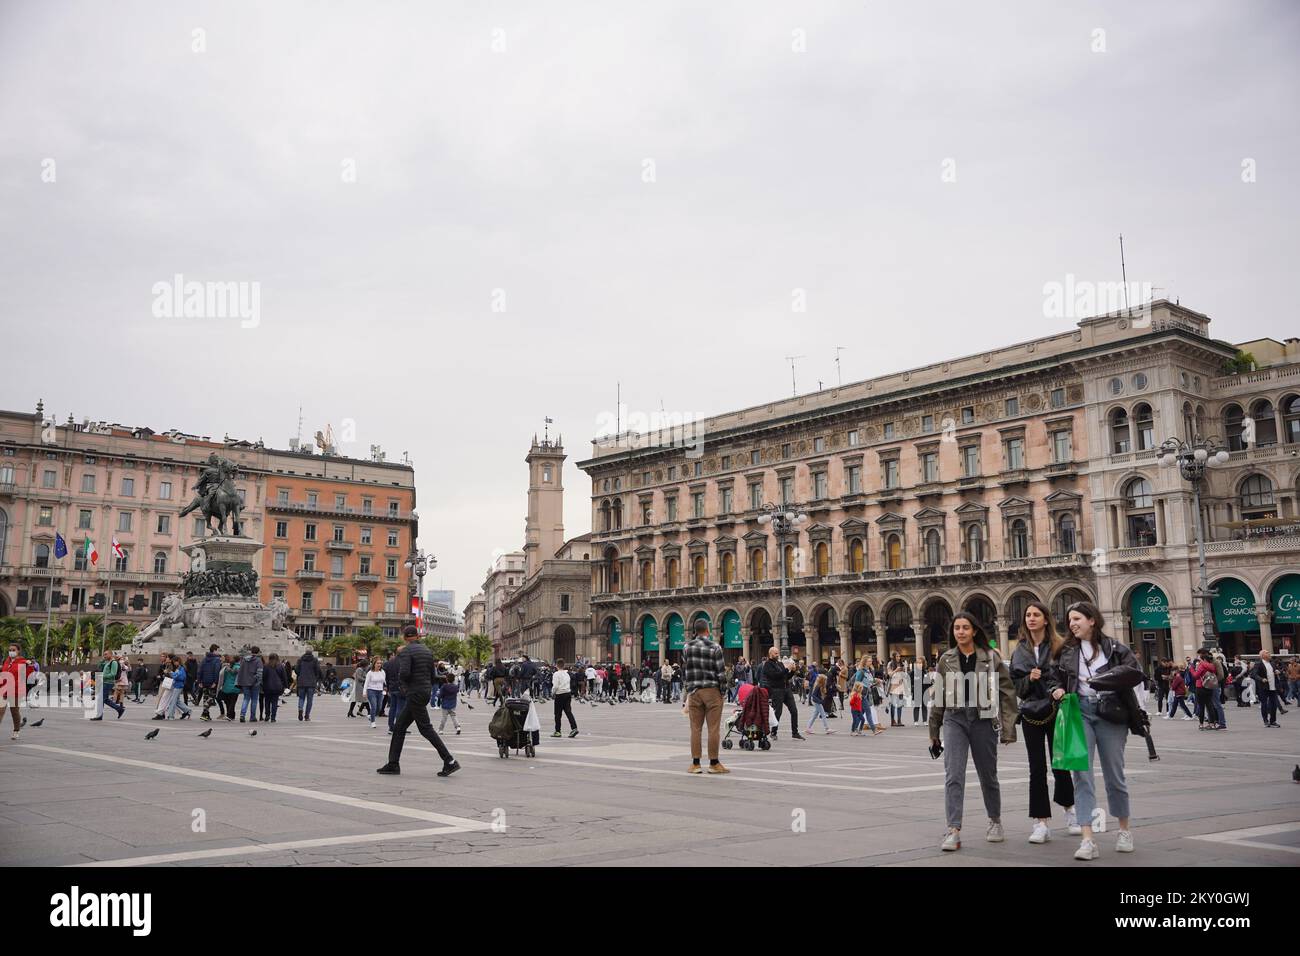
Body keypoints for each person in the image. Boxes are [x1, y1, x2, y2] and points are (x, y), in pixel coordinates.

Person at [1051, 601, 1140, 861]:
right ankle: (1087, 838)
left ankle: (1124, 830)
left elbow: (1134, 671)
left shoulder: (1114, 648)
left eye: (1077, 618)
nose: (1072, 624)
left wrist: (1103, 678)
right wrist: (1055, 690)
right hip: (1080, 713)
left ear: (1092, 620)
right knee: (1082, 775)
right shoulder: (1066, 651)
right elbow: (1054, 678)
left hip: (1112, 713)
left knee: (1115, 774)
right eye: (1069, 620)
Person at [928, 611, 1017, 852]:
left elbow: (1007, 692)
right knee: (953, 775)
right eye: (957, 628)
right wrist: (933, 730)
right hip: (954, 718)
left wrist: (1008, 728)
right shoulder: (946, 659)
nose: (960, 632)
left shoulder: (990, 657)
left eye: (965, 627)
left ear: (974, 631)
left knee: (988, 775)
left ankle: (995, 821)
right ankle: (953, 830)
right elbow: (938, 695)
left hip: (983, 719)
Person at [1010, 601, 1076, 844]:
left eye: (1036, 614)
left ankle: (1069, 810)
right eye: (1027, 615)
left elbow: (1069, 675)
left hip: (1056, 710)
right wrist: (1029, 678)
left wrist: (1057, 688)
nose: (1031, 618)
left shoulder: (1059, 646)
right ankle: (1040, 822)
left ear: (1046, 619)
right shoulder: (1020, 650)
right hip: (1030, 714)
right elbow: (1015, 685)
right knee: (1036, 768)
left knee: (1061, 762)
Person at [376, 626, 459, 778]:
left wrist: (405, 688)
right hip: (424, 692)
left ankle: (450, 761)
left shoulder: (406, 651)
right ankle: (393, 763)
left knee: (425, 729)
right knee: (399, 727)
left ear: (405, 637)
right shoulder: (427, 651)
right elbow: (432, 675)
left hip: (414, 693)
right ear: (417, 636)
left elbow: (405, 673)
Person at [682, 618, 728, 774]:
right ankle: (714, 763)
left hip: (694, 692)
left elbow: (686, 669)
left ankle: (695, 764)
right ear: (707, 630)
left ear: (695, 631)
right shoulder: (715, 647)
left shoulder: (686, 647)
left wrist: (688, 690)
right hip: (711, 691)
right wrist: (723, 692)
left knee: (695, 729)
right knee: (713, 729)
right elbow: (721, 673)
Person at [760, 646, 805, 740]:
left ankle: (795, 732)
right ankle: (773, 732)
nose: (777, 655)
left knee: (794, 711)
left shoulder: (780, 664)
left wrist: (792, 671)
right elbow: (775, 676)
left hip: (787, 689)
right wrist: (787, 669)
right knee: (778, 712)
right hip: (777, 690)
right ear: (770, 654)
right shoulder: (767, 665)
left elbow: (785, 677)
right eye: (775, 653)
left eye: (778, 653)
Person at [1, 643, 31, 740]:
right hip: (4, 690)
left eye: (13, 650)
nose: (11, 652)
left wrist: (29, 665)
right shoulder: (6, 661)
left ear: (18, 651)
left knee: (14, 712)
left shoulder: (23, 662)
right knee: (0, 711)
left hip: (15, 691)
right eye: (10, 650)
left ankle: (16, 730)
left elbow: (25, 677)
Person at [1191, 648, 1223, 731]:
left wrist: (1191, 669)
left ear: (1203, 658)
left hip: (1200, 687)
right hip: (1209, 687)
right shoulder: (1211, 665)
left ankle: (1201, 724)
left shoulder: (1201, 665)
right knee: (1210, 705)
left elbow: (1196, 676)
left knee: (1201, 706)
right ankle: (1212, 724)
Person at [89, 650, 125, 721]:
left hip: (108, 683)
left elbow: (113, 674)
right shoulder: (107, 662)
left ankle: (99, 716)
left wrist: (102, 676)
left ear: (111, 654)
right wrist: (102, 660)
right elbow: (99, 666)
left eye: (106, 654)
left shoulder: (113, 662)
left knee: (101, 699)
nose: (104, 656)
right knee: (104, 699)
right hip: (104, 682)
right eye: (104, 654)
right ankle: (119, 709)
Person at [1251, 650, 1282, 728]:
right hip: (1263, 687)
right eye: (1268, 653)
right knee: (1264, 704)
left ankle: (1273, 721)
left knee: (1274, 704)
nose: (1270, 654)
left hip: (1273, 687)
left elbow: (1275, 671)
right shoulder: (1259, 664)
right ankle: (1265, 720)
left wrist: (1277, 671)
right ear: (1263, 656)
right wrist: (1261, 679)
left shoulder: (1272, 663)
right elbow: (1254, 674)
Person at [551, 657, 578, 737]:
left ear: (557, 665)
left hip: (560, 694)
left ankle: (558, 731)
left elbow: (555, 686)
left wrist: (553, 693)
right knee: (568, 712)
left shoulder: (556, 674)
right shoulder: (567, 674)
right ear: (564, 665)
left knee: (557, 714)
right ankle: (574, 728)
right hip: (567, 693)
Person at [236, 646, 263, 723]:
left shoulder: (244, 660)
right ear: (258, 652)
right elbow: (260, 672)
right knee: (254, 700)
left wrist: (240, 681)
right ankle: (252, 716)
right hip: (254, 683)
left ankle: (242, 714)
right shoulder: (258, 660)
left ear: (251, 651)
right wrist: (258, 681)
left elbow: (240, 671)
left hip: (245, 682)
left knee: (246, 698)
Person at [197, 644, 222, 722]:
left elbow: (200, 670)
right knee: (211, 697)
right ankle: (204, 712)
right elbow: (216, 671)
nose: (219, 652)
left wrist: (200, 680)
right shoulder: (217, 659)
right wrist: (215, 682)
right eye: (218, 650)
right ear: (214, 651)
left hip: (204, 681)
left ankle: (206, 716)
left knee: (206, 697)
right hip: (212, 682)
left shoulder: (204, 659)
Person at [295, 647, 322, 721]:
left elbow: (296, 670)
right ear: (312, 652)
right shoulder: (314, 660)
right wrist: (315, 677)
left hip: (302, 682)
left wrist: (301, 675)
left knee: (301, 698)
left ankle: (300, 710)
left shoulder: (300, 660)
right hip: (311, 683)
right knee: (310, 700)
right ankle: (307, 716)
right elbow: (317, 670)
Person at [383, 649, 405, 733]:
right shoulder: (403, 662)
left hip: (392, 688)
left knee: (393, 707)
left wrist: (387, 687)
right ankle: (399, 727)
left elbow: (386, 676)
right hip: (401, 688)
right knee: (400, 708)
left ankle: (391, 727)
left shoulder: (389, 663)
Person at [262, 653, 287, 723]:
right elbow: (284, 677)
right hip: (277, 687)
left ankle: (267, 715)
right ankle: (273, 717)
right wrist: (285, 686)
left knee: (267, 701)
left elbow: (263, 676)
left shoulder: (266, 666)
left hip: (267, 686)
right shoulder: (280, 666)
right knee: (274, 702)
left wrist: (263, 684)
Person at [364, 658, 386, 729]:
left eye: (380, 663)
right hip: (371, 691)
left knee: (379, 708)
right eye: (377, 663)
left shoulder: (382, 672)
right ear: (374, 664)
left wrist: (385, 688)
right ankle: (373, 722)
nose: (379, 665)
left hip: (380, 691)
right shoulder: (370, 673)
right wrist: (364, 692)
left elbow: (384, 682)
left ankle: (371, 716)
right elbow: (366, 683)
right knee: (374, 706)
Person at [218, 655, 240, 721]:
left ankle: (229, 714)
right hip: (235, 688)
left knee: (228, 702)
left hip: (226, 687)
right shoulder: (239, 667)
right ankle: (231, 715)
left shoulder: (227, 668)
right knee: (233, 702)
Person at [887, 662, 908, 727]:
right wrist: (896, 670)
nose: (898, 657)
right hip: (893, 687)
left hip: (900, 687)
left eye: (899, 656)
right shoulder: (890, 664)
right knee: (893, 704)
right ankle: (893, 721)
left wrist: (905, 669)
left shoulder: (902, 664)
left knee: (900, 704)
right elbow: (890, 675)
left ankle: (899, 720)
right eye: (897, 656)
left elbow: (905, 676)